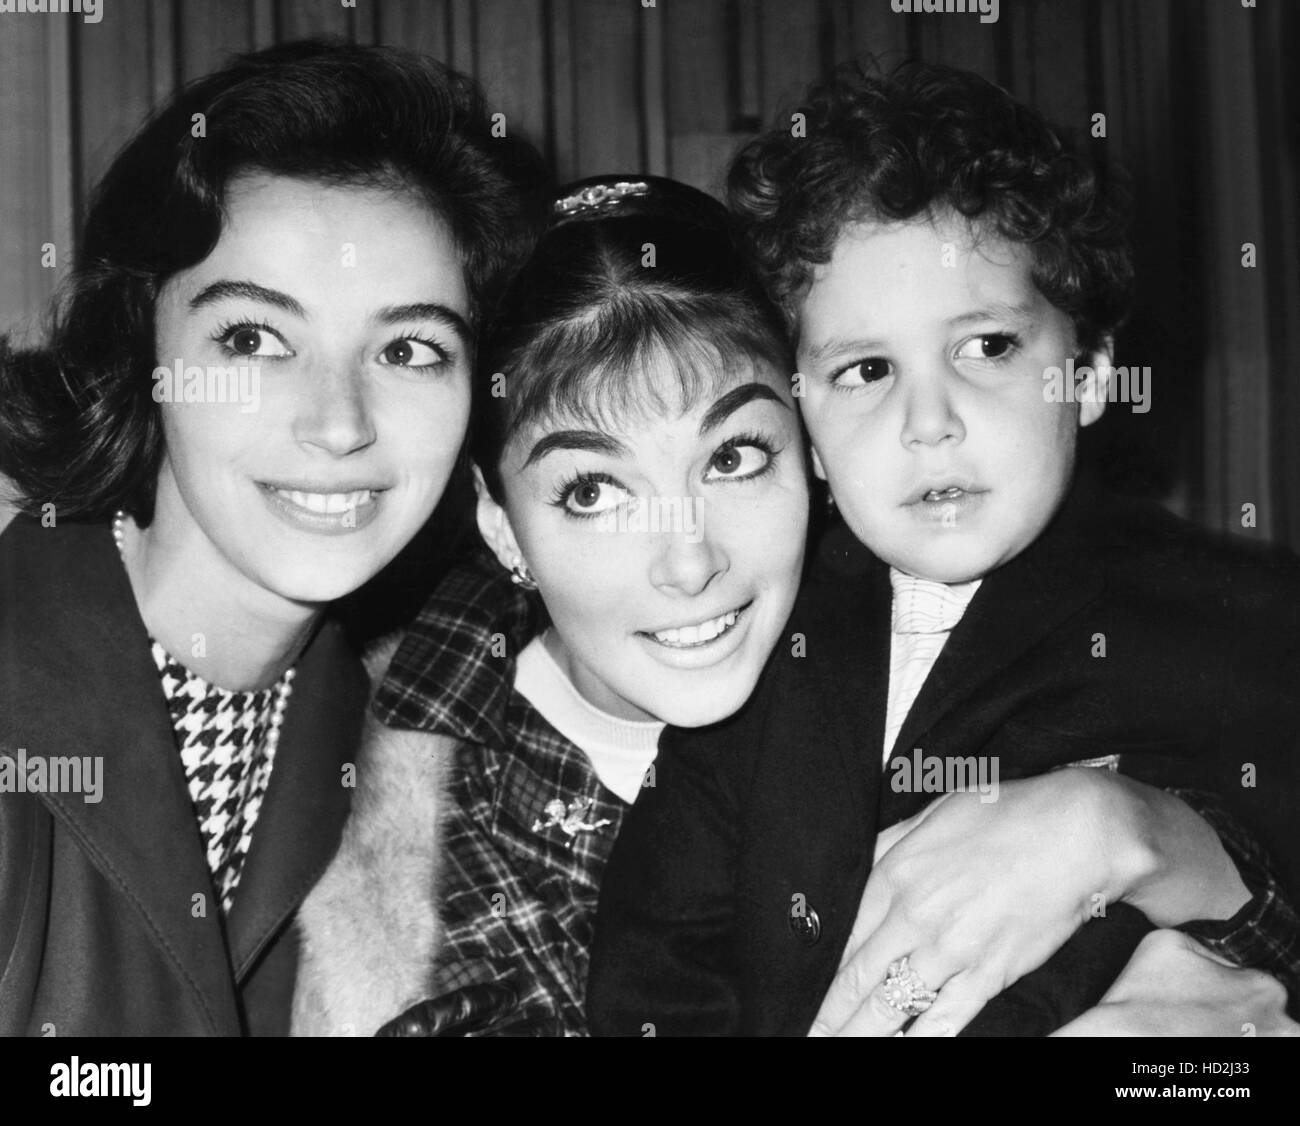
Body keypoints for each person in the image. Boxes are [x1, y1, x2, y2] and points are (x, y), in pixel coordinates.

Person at [586, 62, 1300, 1037]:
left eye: (986, 348)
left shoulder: (1236, 617)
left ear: (1089, 371)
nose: (930, 422)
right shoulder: (753, 634)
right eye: (866, 368)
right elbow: (653, 969)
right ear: (802, 414)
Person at [0, 39, 546, 1036]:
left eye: (409, 348)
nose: (338, 423)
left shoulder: (398, 731)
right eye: (252, 338)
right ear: (142, 350)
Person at [291, 176, 811, 1036]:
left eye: (734, 459)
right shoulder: (378, 789)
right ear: (501, 525)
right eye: (596, 491)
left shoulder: (921, 680)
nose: (689, 563)